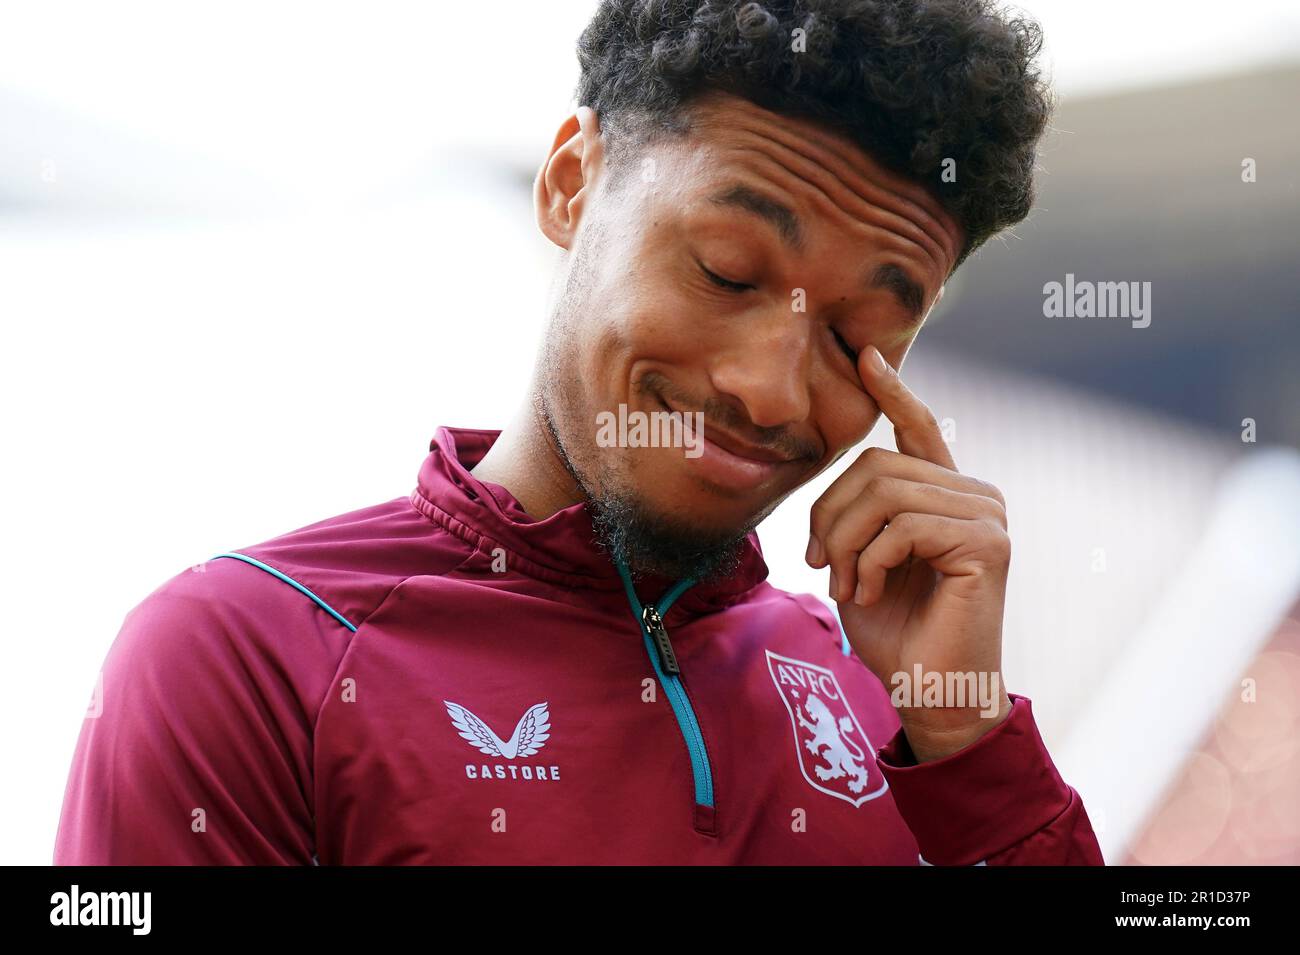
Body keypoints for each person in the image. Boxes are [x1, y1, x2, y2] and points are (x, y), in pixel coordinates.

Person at [54, 0, 1103, 865]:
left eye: (858, 334)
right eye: (725, 272)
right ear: (570, 182)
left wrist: (968, 747)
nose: (773, 391)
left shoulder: (892, 708)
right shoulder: (251, 656)